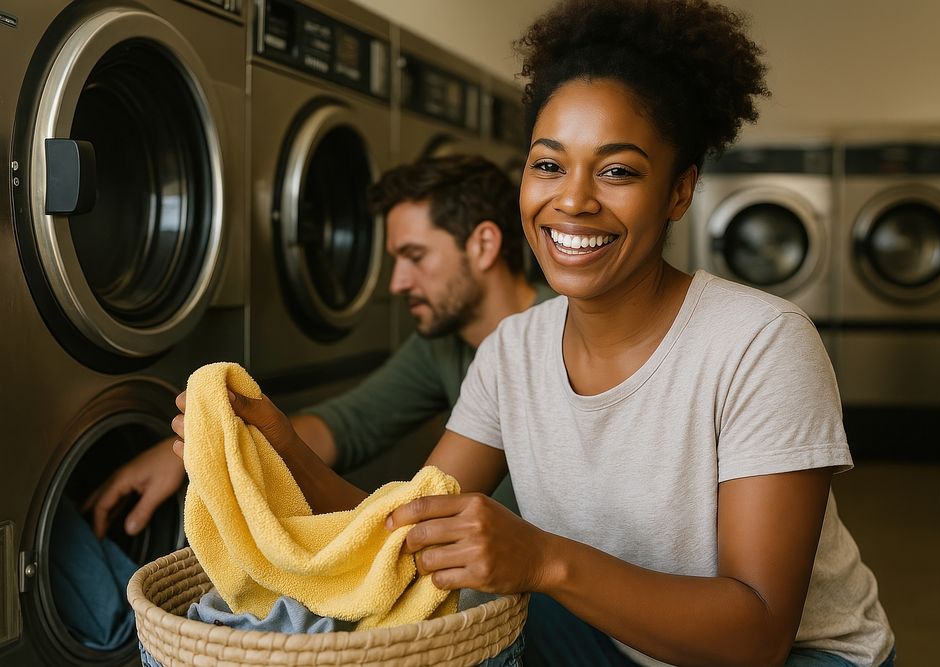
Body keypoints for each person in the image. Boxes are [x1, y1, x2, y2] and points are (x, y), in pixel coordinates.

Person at [173, 1, 898, 665]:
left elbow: (758, 630)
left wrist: (544, 559)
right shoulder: (513, 351)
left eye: (617, 170)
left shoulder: (759, 343)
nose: (573, 200)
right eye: (548, 164)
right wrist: (277, 448)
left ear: (680, 189)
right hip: (613, 637)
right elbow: (406, 530)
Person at [86, 155, 552, 538]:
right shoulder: (441, 345)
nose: (395, 284)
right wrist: (199, 451)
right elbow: (345, 425)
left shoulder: (565, 337)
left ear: (484, 245)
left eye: (414, 257)